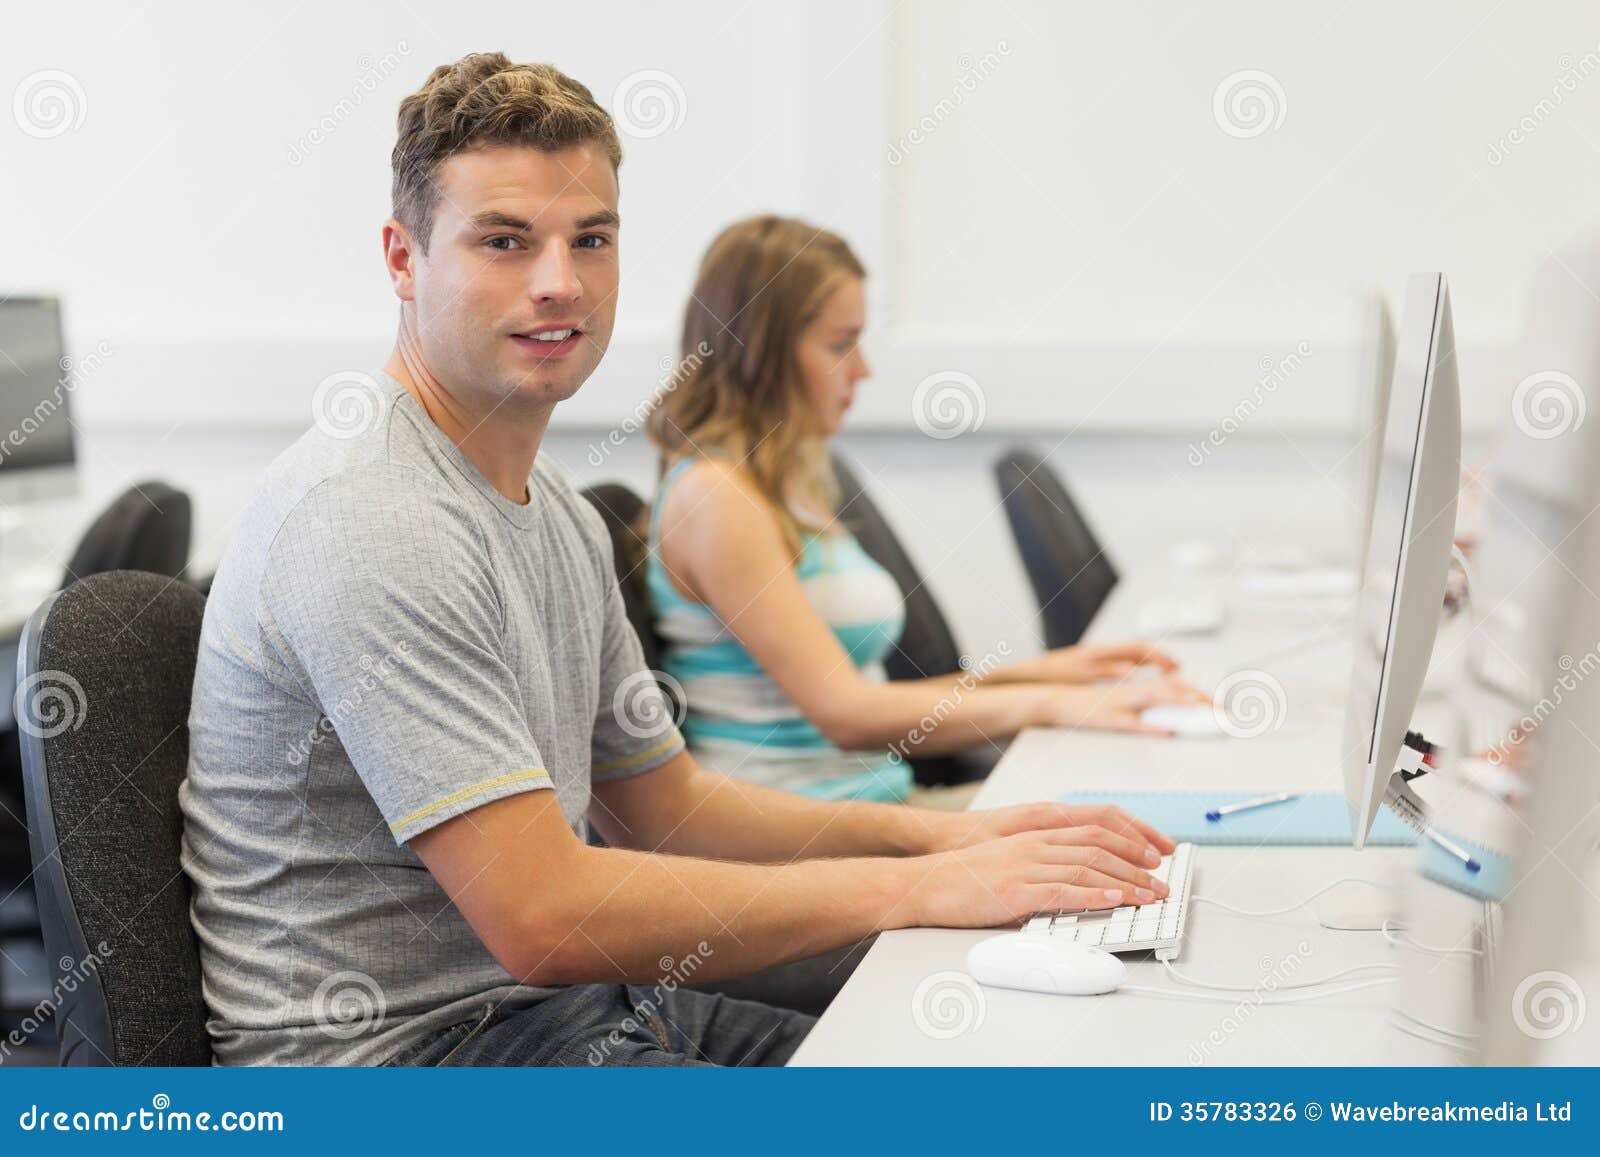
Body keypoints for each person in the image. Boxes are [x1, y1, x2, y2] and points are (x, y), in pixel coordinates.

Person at [179, 53, 1176, 1068]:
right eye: (505, 241)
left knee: (998, 1052)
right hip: (409, 1065)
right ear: (402, 258)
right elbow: (542, 914)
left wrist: (950, 839)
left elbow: (668, 806)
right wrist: (914, 883)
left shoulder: (555, 510)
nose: (559, 281)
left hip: (576, 1016)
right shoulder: (370, 515)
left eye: (591, 239)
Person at [644, 216, 1206, 808]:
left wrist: (1049, 673)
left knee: (1133, 810)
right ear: (761, 351)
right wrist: (1053, 702)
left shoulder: (785, 486)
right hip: (806, 838)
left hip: (873, 805)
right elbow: (847, 714)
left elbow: (868, 691)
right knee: (1124, 822)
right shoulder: (715, 499)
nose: (862, 370)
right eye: (840, 344)